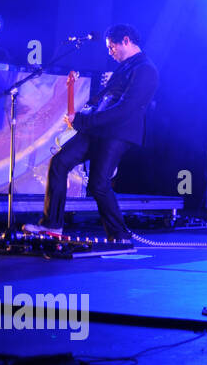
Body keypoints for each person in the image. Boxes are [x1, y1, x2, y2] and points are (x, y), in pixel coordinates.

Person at [22, 24, 158, 242]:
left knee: (98, 183)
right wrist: (83, 114)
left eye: (112, 47)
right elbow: (106, 98)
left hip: (118, 132)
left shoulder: (145, 69)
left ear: (125, 40)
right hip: (97, 128)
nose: (110, 52)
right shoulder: (125, 67)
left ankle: (120, 235)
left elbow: (125, 109)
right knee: (60, 162)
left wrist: (86, 121)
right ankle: (52, 225)